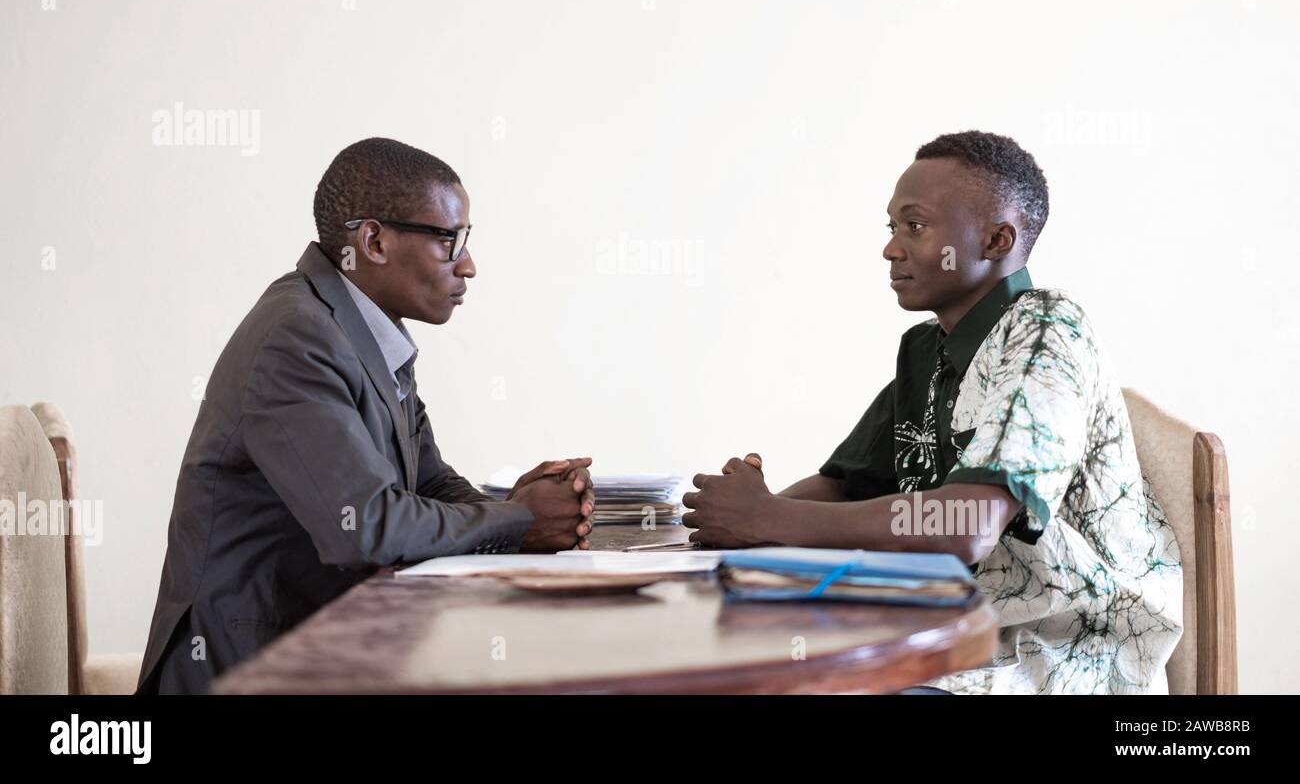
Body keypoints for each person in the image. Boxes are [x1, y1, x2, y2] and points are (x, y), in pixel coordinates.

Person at [682, 131, 1182, 694]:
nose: (892, 248)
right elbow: (846, 486)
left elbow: (967, 524)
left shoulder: (1046, 330)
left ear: (996, 240)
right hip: (948, 631)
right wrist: (726, 519)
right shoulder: (927, 349)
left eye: (914, 227)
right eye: (891, 227)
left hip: (1058, 655)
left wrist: (768, 521)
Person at [138, 137, 594, 693]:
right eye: (450, 240)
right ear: (374, 240)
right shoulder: (297, 335)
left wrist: (516, 507)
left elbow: (429, 480)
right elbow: (369, 526)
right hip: (247, 670)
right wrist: (519, 521)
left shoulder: (368, 328)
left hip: (328, 653)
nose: (468, 265)